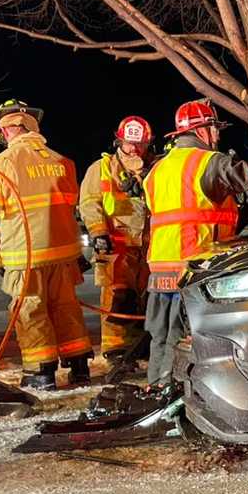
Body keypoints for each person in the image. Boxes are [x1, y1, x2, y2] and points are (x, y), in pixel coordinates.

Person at [142, 99, 248, 392]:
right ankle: (177, 396)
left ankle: (156, 388)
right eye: (214, 129)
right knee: (186, 337)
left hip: (159, 268)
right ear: (203, 131)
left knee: (161, 336)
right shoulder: (209, 161)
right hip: (194, 266)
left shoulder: (156, 170)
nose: (218, 136)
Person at [0, 99, 93, 389]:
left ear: (7, 131)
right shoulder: (62, 162)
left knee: (31, 311)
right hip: (64, 253)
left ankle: (40, 371)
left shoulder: (4, 163)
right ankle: (79, 366)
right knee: (66, 308)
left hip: (26, 254)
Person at [79, 116, 152, 363]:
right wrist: (99, 232)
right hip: (116, 247)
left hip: (149, 248)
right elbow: (89, 203)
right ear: (118, 141)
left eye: (140, 144)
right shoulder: (101, 168)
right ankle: (115, 351)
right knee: (117, 299)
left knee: (145, 299)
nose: (134, 149)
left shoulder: (154, 168)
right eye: (129, 143)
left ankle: (142, 346)